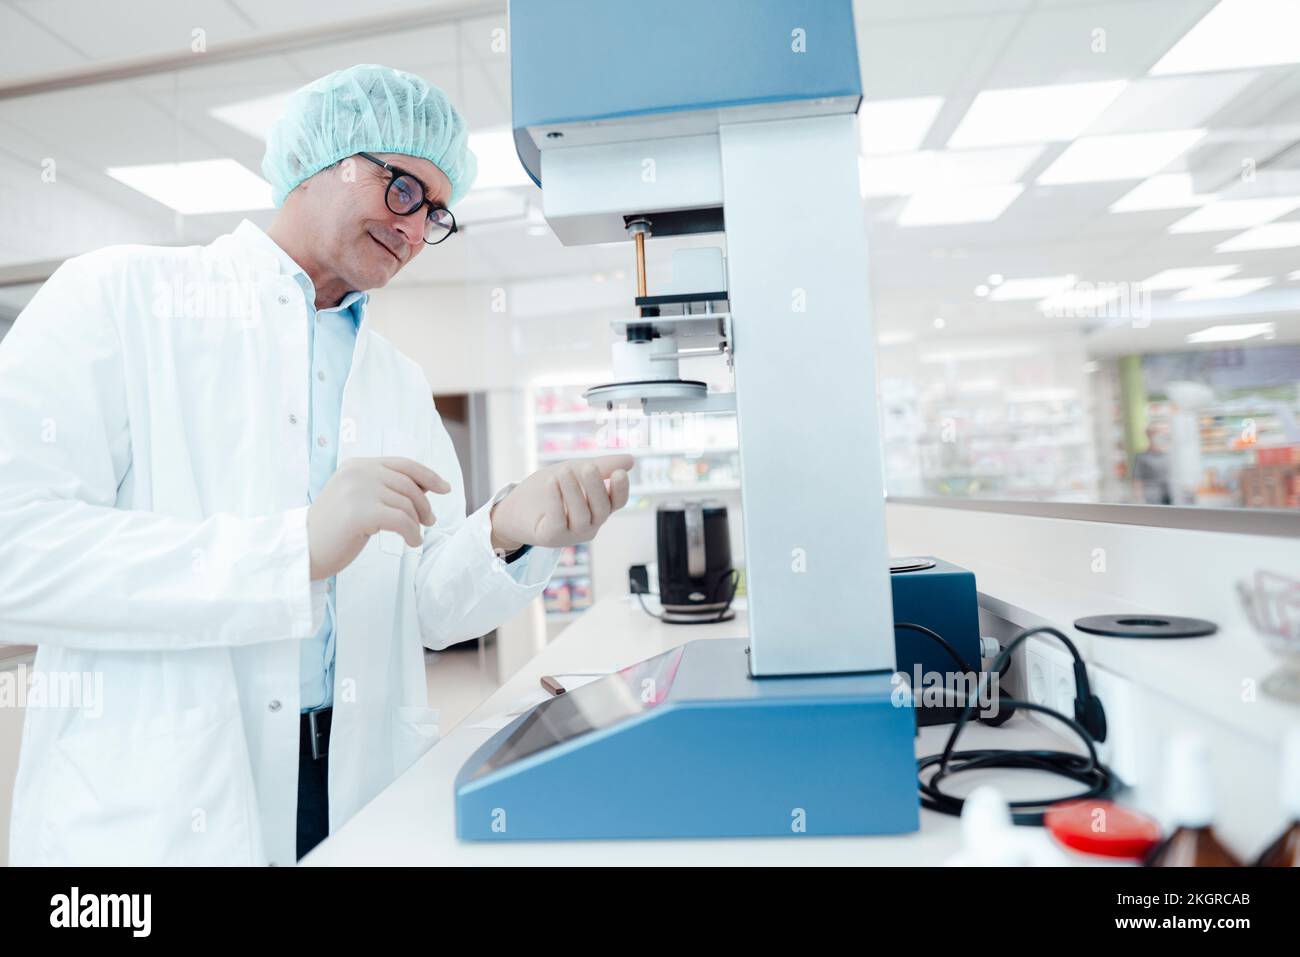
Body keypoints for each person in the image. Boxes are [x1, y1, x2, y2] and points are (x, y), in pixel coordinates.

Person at [0, 64, 632, 866]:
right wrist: (291, 549)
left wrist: (507, 527)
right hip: (159, 805)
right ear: (320, 159)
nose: (413, 228)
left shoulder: (394, 378)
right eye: (402, 189)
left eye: (435, 212)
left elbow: (427, 608)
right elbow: (14, 552)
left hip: (349, 781)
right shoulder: (120, 299)